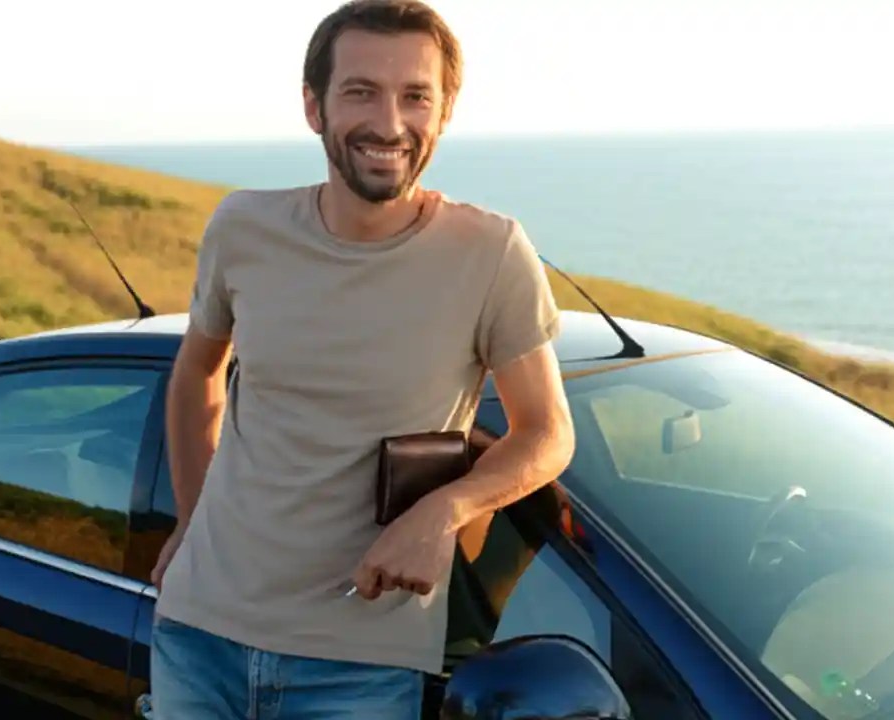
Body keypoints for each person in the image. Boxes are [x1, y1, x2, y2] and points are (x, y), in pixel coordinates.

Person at [146, 1, 576, 717]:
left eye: (416, 96)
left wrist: (444, 512)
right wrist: (190, 526)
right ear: (314, 107)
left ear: (444, 113)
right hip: (197, 636)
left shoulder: (492, 253)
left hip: (359, 667)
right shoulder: (243, 228)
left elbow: (547, 433)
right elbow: (197, 372)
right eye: (360, 92)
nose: (390, 122)